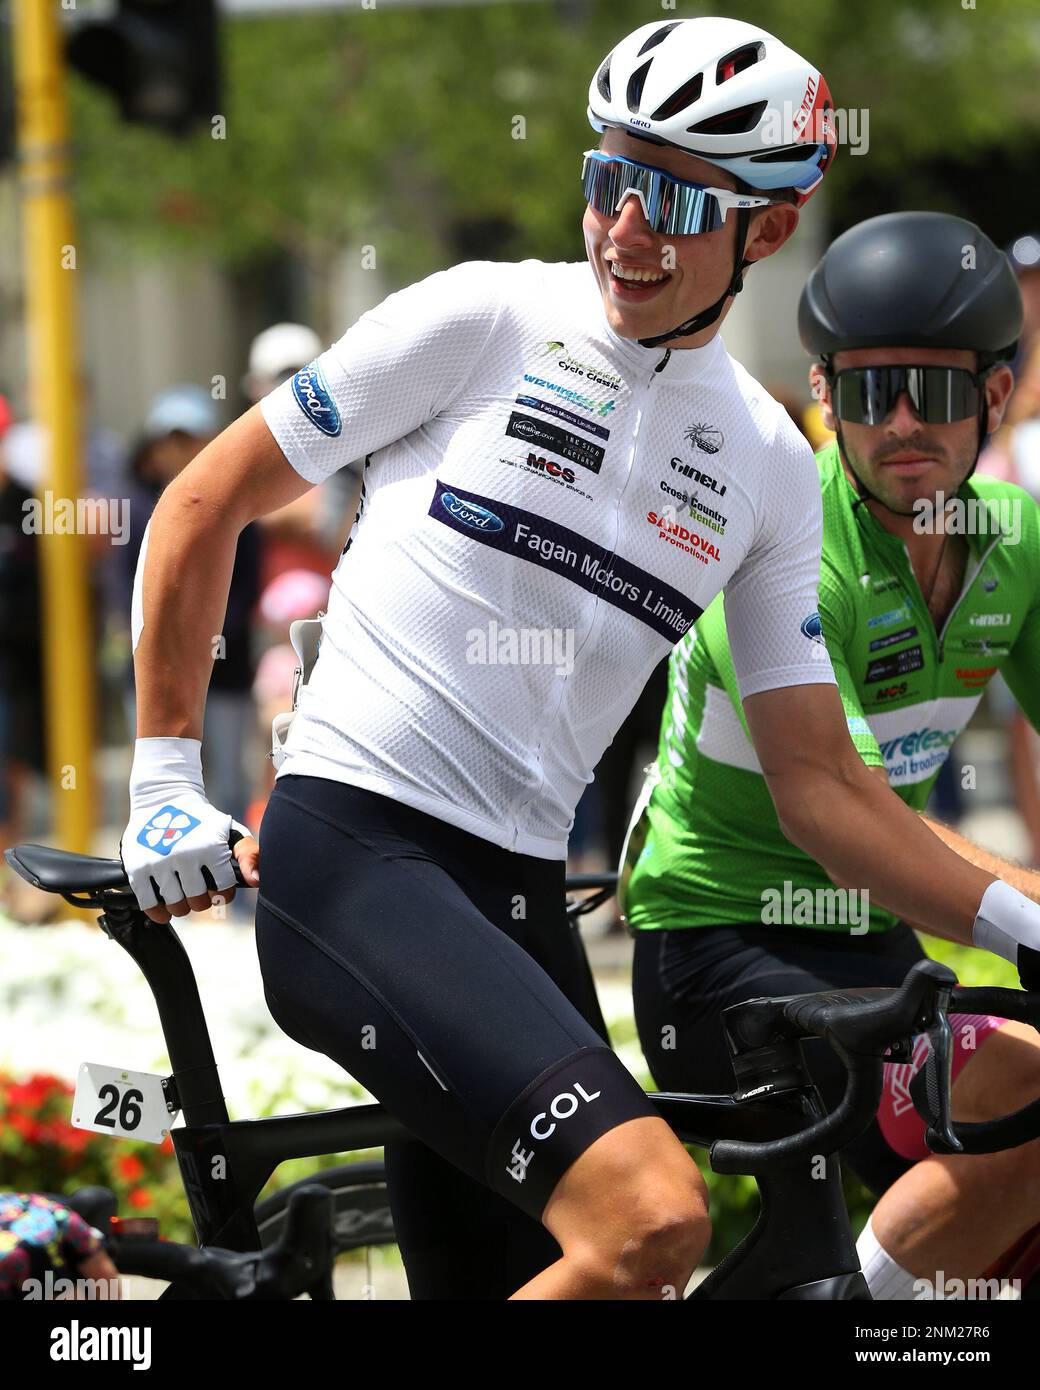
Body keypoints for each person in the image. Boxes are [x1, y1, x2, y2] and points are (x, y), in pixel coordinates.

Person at [120, 16, 1040, 1301]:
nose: (624, 228)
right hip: (356, 853)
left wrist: (1017, 914)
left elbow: (823, 792)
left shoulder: (769, 467)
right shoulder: (481, 316)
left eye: (670, 198)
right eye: (608, 180)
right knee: (651, 1220)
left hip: (518, 894)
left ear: (766, 231)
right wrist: (163, 772)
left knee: (598, 1274)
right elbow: (200, 504)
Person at [622, 211, 1040, 1299]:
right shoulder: (785, 547)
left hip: (867, 938)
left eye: (935, 392)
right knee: (1025, 1099)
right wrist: (1025, 914)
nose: (899, 424)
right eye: (865, 392)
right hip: (717, 949)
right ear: (822, 398)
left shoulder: (1011, 540)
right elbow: (842, 808)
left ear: (995, 396)